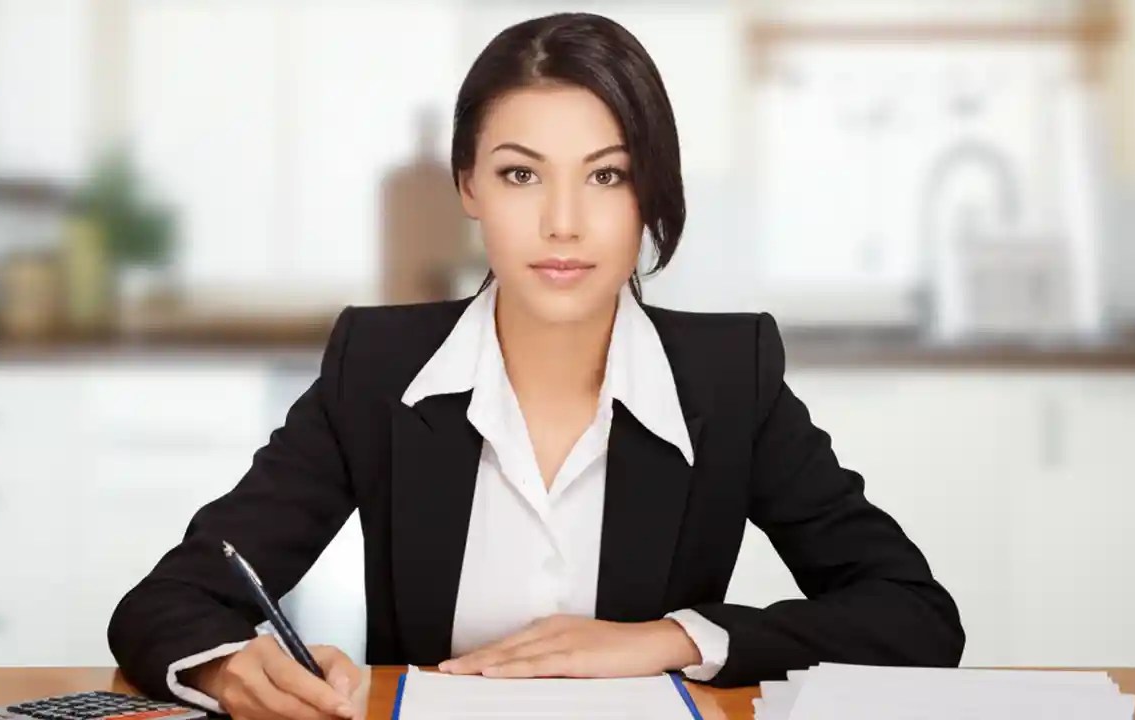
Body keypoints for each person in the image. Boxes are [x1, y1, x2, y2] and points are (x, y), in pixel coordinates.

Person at [108, 12, 964, 720]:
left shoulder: (727, 376)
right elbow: (167, 602)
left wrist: (673, 638)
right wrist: (228, 669)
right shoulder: (377, 365)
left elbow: (915, 616)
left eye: (607, 176)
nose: (563, 222)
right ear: (469, 186)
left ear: (650, 193)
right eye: (521, 174)